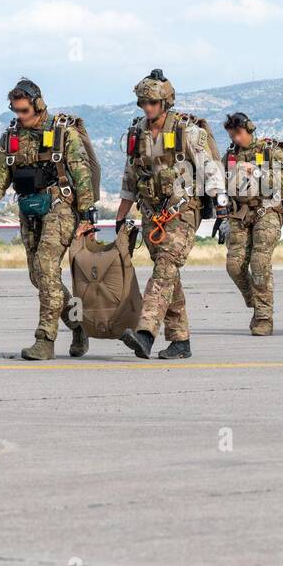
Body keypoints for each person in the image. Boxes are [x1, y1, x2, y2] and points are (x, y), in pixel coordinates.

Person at [0, 78, 96, 360]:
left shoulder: (63, 134)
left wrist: (87, 217)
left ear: (38, 105)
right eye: (15, 111)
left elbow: (83, 176)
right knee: (38, 277)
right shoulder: (10, 138)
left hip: (59, 207)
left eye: (24, 111)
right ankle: (78, 323)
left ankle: (44, 341)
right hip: (29, 210)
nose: (20, 116)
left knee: (47, 268)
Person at [114, 70, 228, 359]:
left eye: (152, 103)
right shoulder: (137, 132)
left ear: (165, 102)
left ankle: (145, 334)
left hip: (182, 212)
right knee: (169, 276)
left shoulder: (188, 132)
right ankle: (180, 341)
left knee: (164, 269)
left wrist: (222, 211)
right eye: (143, 103)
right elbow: (131, 175)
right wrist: (121, 215)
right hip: (151, 214)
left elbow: (211, 170)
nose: (147, 108)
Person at [221, 112, 283, 335]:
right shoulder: (230, 156)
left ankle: (263, 318)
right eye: (232, 135)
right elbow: (221, 184)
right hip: (240, 213)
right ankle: (254, 298)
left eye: (239, 134)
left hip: (267, 210)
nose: (236, 139)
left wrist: (258, 172)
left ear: (250, 130)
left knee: (259, 262)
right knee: (234, 265)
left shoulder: (269, 151)